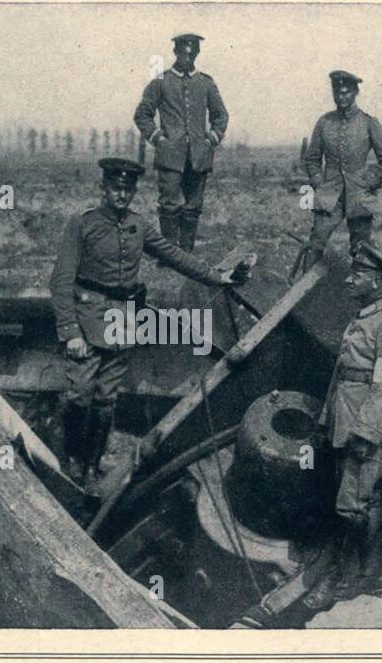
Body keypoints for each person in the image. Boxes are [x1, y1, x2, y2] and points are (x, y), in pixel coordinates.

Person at [50, 157, 251, 488]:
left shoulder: (138, 226)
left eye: (127, 190)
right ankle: (71, 459)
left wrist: (220, 277)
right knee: (79, 396)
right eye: (116, 188)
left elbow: (175, 256)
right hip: (86, 322)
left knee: (106, 399)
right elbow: (60, 282)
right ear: (103, 189)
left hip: (122, 322)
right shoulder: (82, 224)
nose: (121, 195)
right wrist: (70, 332)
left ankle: (92, 463)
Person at [303, 241, 382, 611]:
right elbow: (342, 374)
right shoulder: (365, 317)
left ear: (379, 282)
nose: (349, 280)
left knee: (355, 503)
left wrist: (366, 434)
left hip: (371, 425)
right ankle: (357, 572)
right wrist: (327, 422)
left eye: (358, 275)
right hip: (347, 419)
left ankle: (349, 579)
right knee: (348, 499)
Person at [132, 33, 229, 251]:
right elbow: (142, 114)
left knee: (193, 207)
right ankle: (169, 255)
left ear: (197, 53)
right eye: (184, 53)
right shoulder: (161, 81)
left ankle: (187, 254)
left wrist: (210, 140)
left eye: (192, 53)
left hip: (199, 156)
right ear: (175, 52)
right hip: (170, 157)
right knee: (169, 205)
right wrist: (158, 139)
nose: (188, 57)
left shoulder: (206, 83)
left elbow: (221, 115)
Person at [297, 70, 382, 274]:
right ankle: (302, 294)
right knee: (315, 244)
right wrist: (318, 182)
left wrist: (368, 182)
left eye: (346, 92)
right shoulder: (324, 123)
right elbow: (312, 158)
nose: (341, 97)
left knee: (361, 251)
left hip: (359, 198)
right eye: (337, 93)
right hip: (329, 196)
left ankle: (360, 295)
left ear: (355, 93)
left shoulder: (369, 123)